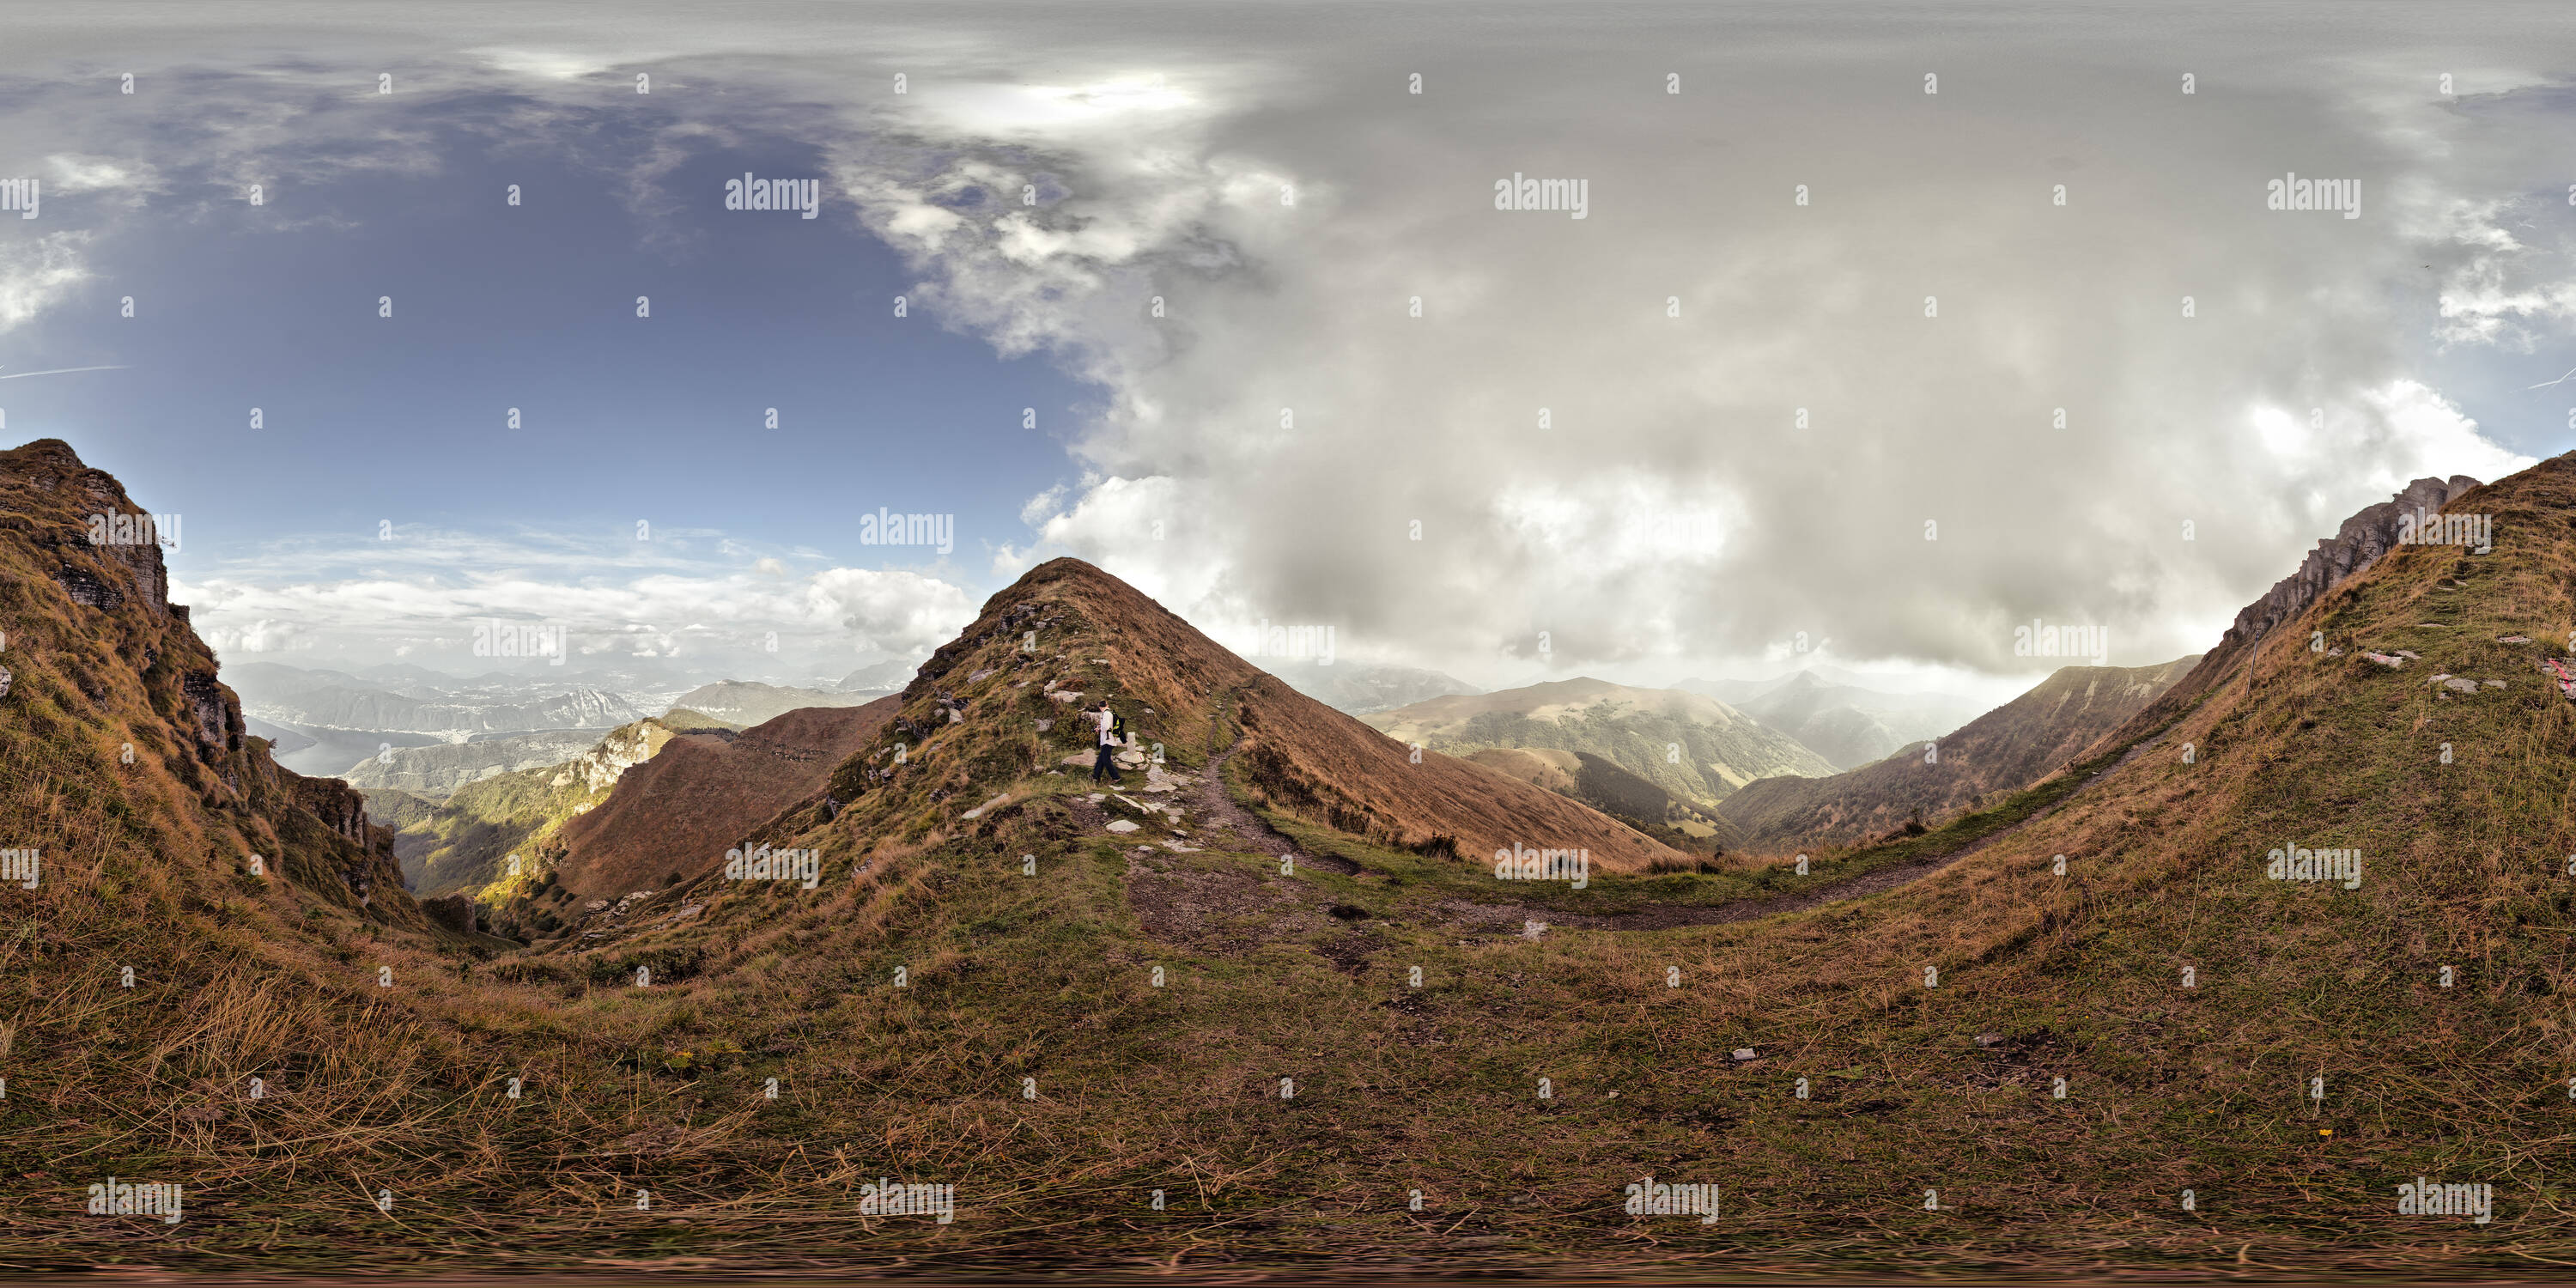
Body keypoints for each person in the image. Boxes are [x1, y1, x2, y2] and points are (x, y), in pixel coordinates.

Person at [1091, 700, 1122, 783]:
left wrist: (1098, 729)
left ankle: (1116, 777)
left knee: (1106, 760)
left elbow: (1105, 728)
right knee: (1101, 759)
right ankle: (1095, 777)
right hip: (1109, 740)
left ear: (1100, 707)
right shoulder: (1109, 713)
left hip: (1107, 740)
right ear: (1107, 705)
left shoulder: (1106, 714)